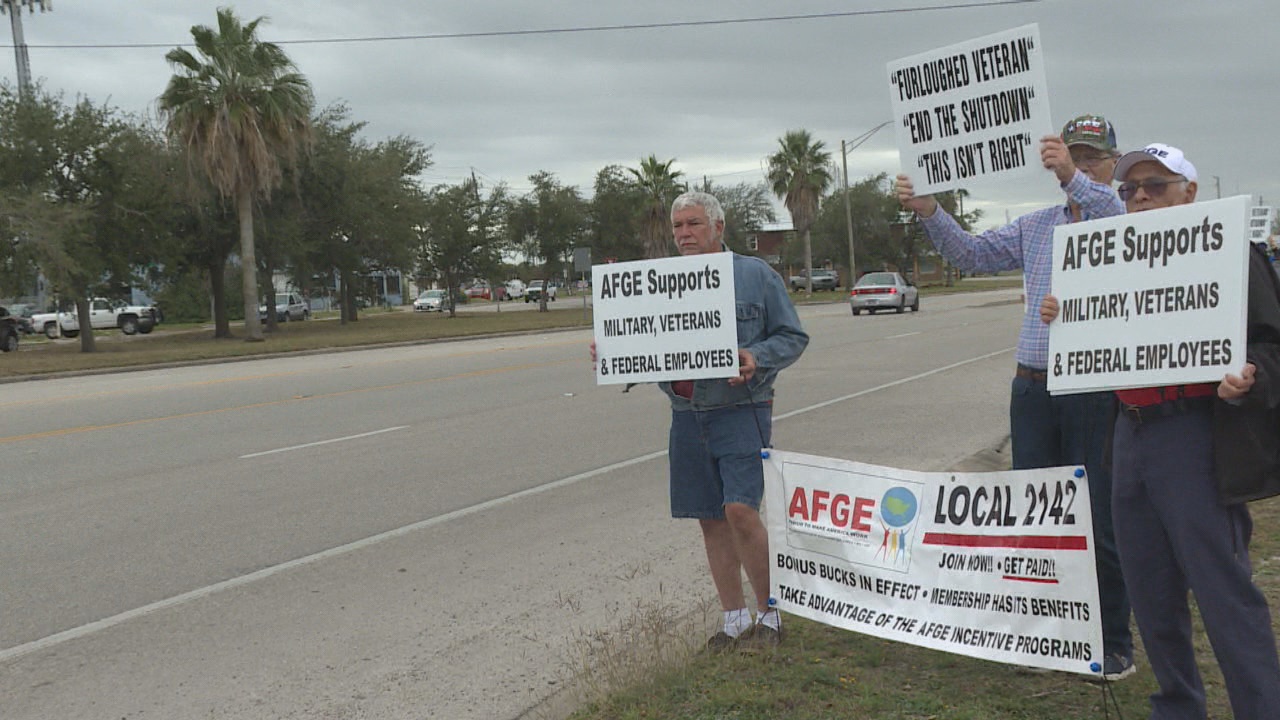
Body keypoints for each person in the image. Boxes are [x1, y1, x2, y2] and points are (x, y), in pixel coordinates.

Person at [1041, 144, 1280, 718]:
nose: (1140, 196)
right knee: (1149, 589)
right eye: (1128, 189)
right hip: (1129, 433)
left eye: (1155, 184)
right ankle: (1176, 704)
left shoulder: (1232, 253)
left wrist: (1251, 376)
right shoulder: (1106, 261)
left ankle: (1261, 705)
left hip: (1194, 433)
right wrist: (1068, 314)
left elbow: (1271, 343)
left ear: (1189, 192)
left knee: (1222, 588)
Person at [895, 115, 1134, 679]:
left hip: (1093, 388)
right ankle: (1053, 634)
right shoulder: (1038, 225)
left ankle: (1113, 639)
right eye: (1072, 154)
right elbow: (974, 256)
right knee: (1040, 515)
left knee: (1098, 516)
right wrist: (931, 209)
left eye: (1091, 157)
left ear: (1112, 164)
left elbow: (1104, 209)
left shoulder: (1123, 217)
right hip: (1032, 386)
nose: (1078, 164)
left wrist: (1074, 176)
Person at [592, 190, 808, 651]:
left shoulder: (755, 276)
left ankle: (770, 614)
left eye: (693, 224)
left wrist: (756, 356)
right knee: (709, 518)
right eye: (677, 227)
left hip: (740, 409)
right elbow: (643, 343)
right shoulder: (658, 282)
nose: (684, 234)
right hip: (686, 414)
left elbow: (793, 336)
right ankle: (733, 619)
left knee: (740, 510)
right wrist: (613, 353)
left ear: (718, 227)